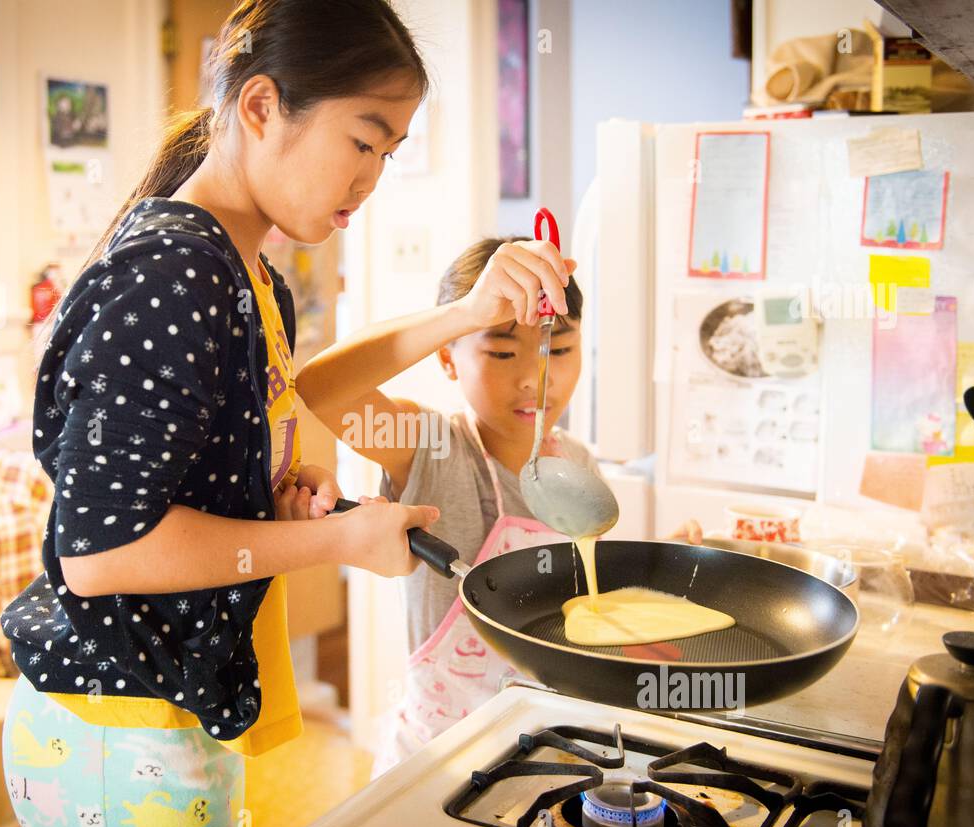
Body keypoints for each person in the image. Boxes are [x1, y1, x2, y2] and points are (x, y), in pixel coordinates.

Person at [0, 0, 445, 827]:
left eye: (390, 154)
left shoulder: (253, 278)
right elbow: (100, 554)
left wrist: (287, 497)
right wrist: (339, 541)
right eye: (363, 141)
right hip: (115, 729)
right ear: (261, 107)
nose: (372, 178)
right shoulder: (176, 275)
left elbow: (198, 479)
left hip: (170, 703)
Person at [297, 237, 702, 773]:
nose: (536, 378)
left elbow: (579, 606)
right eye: (503, 352)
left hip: (551, 754)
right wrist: (464, 314)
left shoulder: (577, 463)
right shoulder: (430, 447)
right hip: (436, 761)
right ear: (448, 358)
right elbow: (321, 387)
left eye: (558, 351)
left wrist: (651, 577)